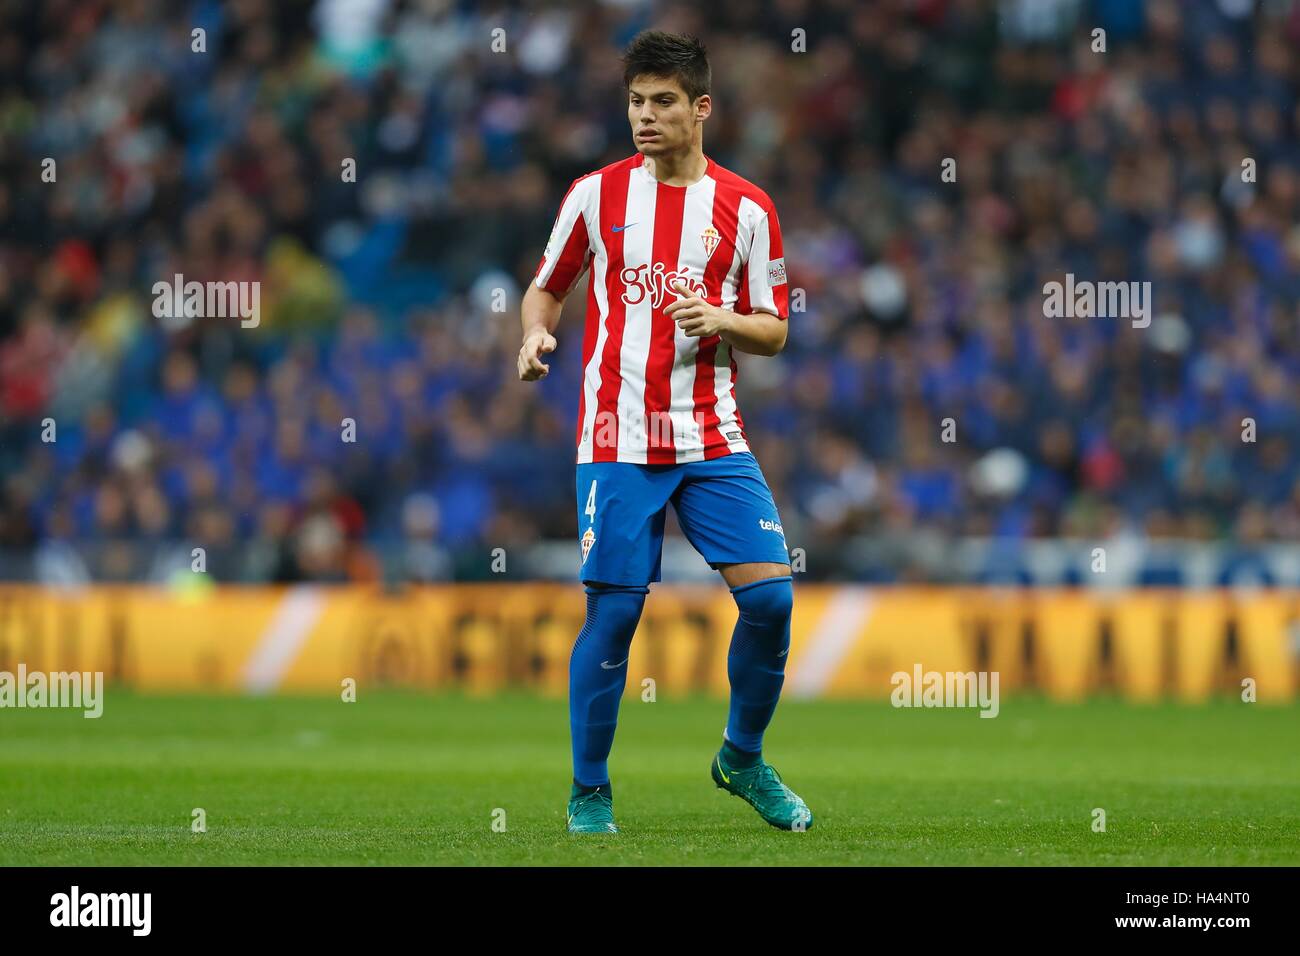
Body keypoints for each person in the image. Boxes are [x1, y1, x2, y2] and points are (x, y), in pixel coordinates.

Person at [518, 29, 811, 834]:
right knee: (613, 617)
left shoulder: (748, 208)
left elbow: (776, 329)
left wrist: (721, 318)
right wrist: (534, 335)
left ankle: (741, 758)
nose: (644, 117)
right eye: (636, 102)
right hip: (615, 436)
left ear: (701, 108)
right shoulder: (595, 196)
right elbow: (546, 289)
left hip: (712, 435)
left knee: (774, 602)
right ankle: (589, 791)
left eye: (663, 103)